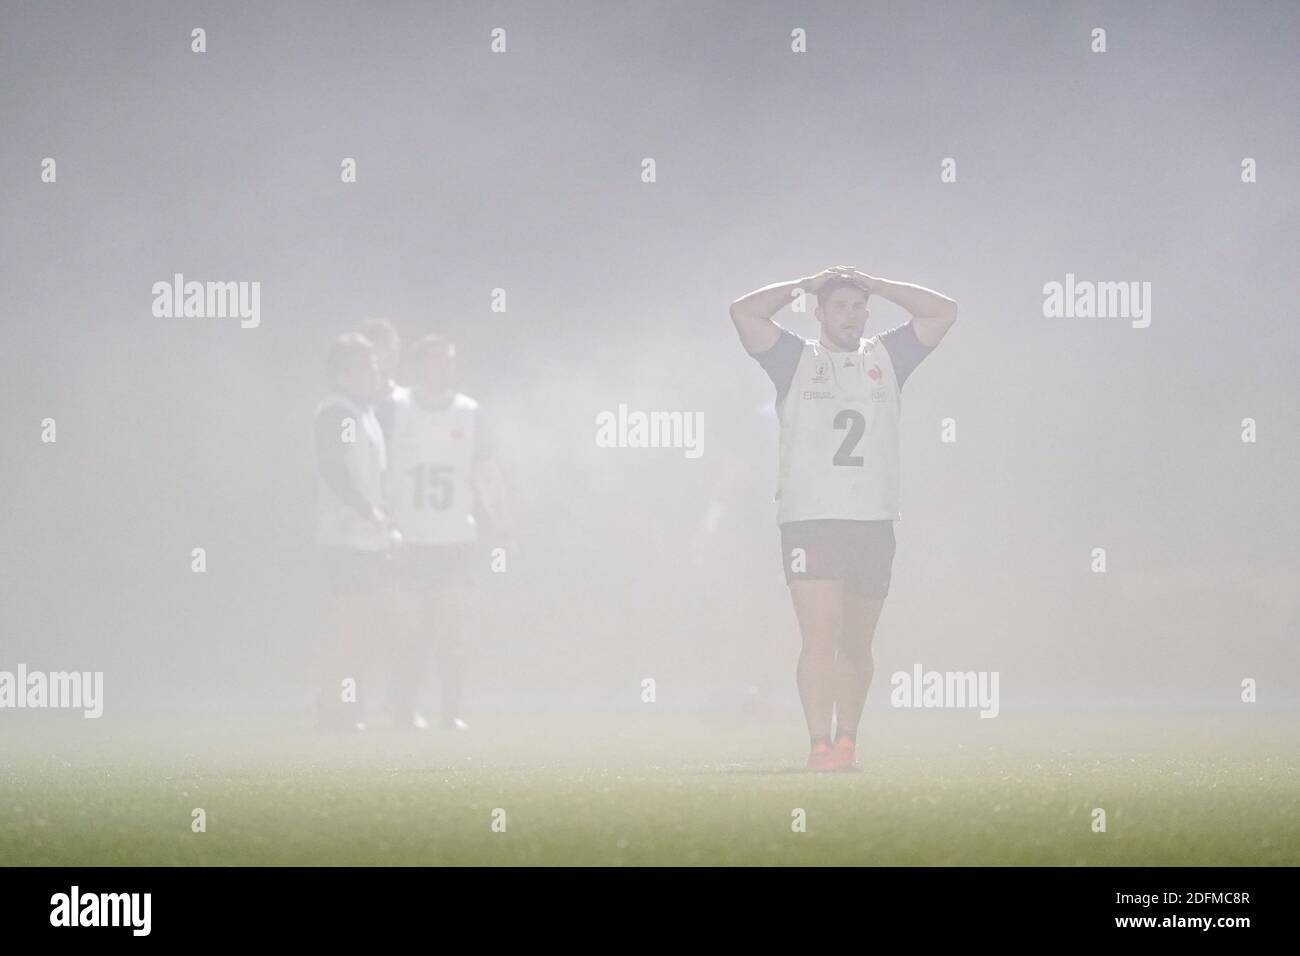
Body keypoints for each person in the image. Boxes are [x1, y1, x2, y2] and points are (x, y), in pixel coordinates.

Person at [728, 266, 957, 770]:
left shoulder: (887, 357)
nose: (851, 317)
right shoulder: (795, 360)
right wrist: (805, 283)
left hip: (872, 520)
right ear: (821, 313)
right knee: (819, 637)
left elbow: (944, 311)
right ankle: (818, 746)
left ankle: (847, 741)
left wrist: (879, 283)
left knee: (857, 641)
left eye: (858, 307)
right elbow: (743, 312)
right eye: (840, 307)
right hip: (810, 518)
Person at [379, 334, 508, 730]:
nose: (447, 367)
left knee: (452, 634)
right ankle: (403, 713)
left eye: (451, 360)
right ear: (420, 366)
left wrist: (501, 521)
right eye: (438, 361)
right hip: (407, 539)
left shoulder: (470, 412)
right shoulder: (394, 409)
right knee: (409, 634)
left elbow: (486, 472)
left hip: (454, 539)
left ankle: (451, 714)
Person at [313, 333, 399, 731]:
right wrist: (368, 511)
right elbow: (334, 469)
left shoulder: (365, 415)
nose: (376, 371)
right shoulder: (338, 415)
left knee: (372, 628)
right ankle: (337, 711)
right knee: (353, 630)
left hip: (369, 540)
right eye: (366, 365)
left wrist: (385, 517)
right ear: (345, 374)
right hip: (346, 539)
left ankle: (350, 706)